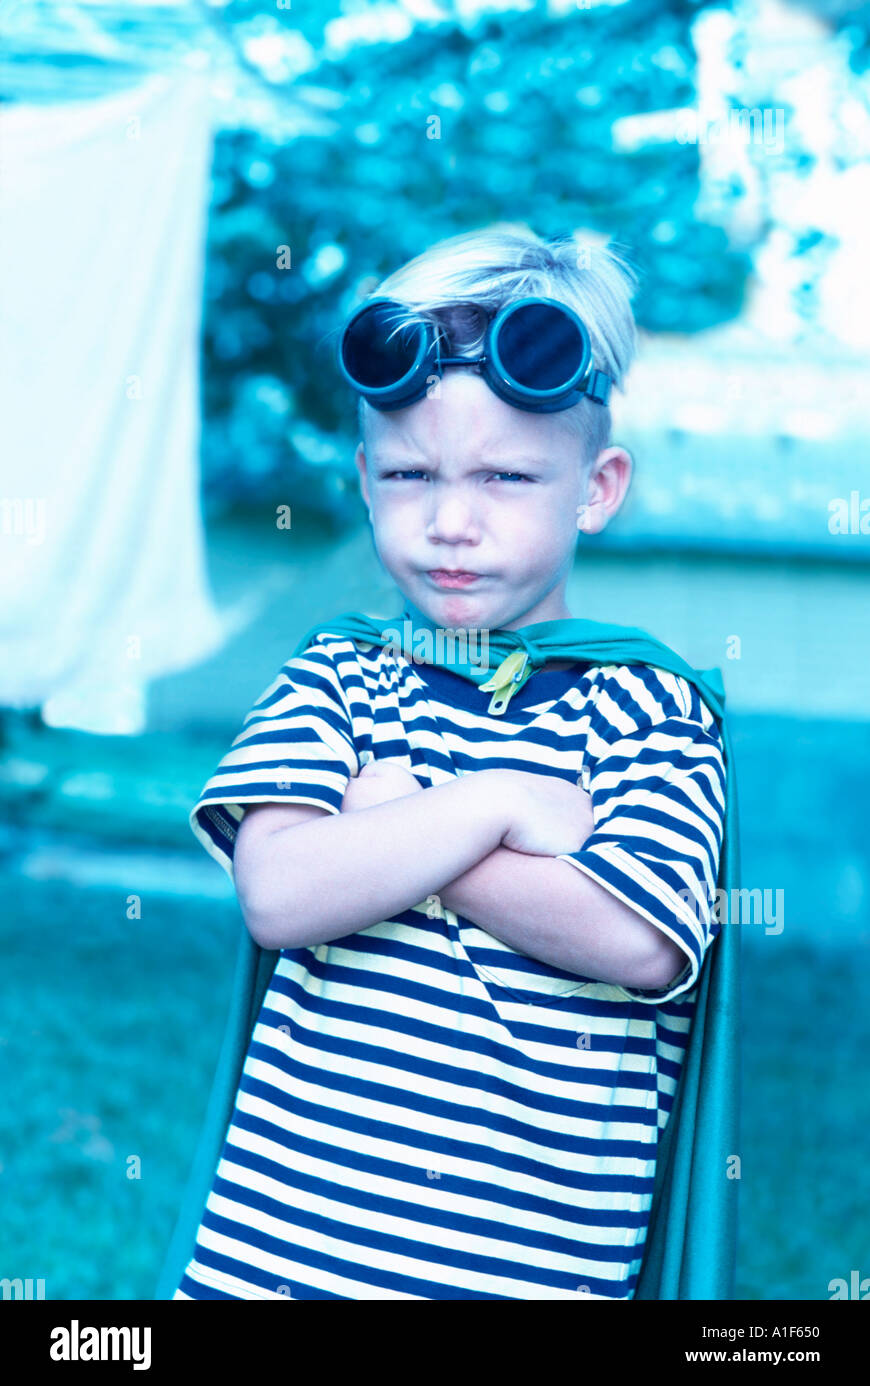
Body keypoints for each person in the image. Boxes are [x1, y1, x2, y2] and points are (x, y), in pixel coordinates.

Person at [163, 223, 737, 1300]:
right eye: (411, 473)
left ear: (597, 487)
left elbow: (640, 939)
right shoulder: (343, 676)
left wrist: (402, 824)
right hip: (278, 1269)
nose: (452, 522)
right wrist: (500, 804)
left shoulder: (651, 708)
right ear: (366, 479)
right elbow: (282, 892)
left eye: (508, 477)